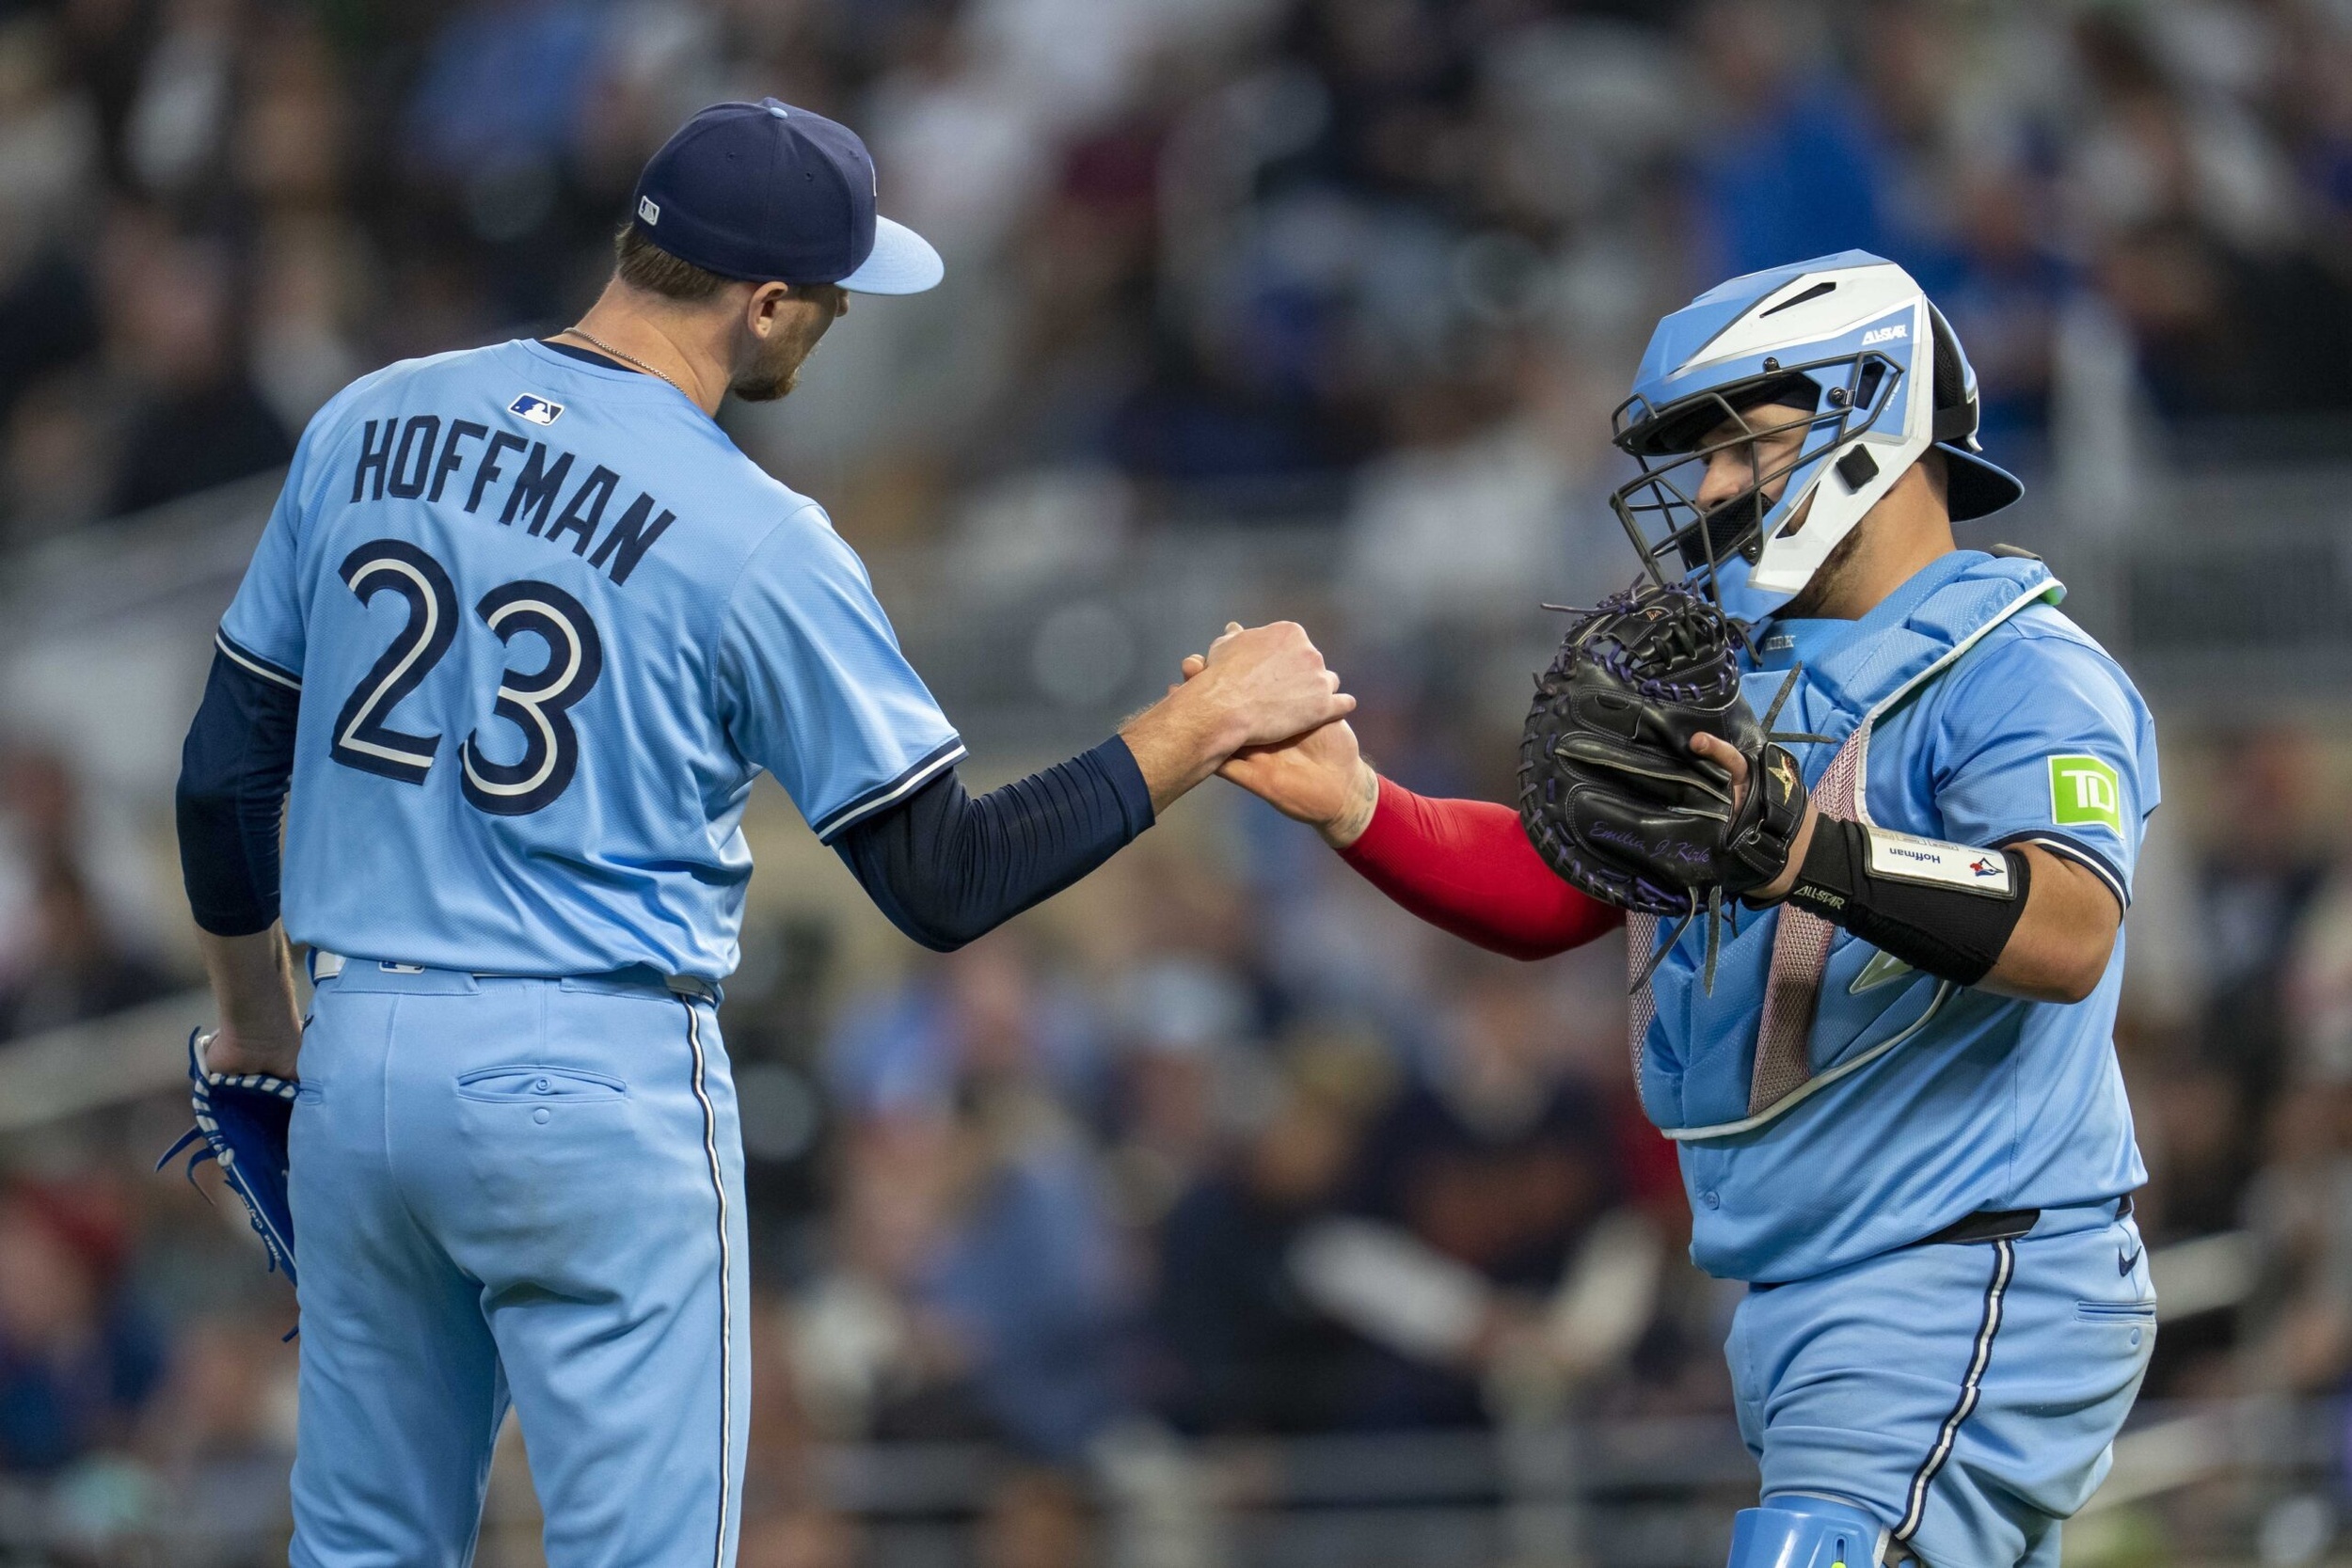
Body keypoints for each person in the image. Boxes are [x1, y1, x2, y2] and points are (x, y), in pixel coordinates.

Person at [171, 98, 1352, 1568]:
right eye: (832, 292)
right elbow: (944, 876)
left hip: (361, 1054)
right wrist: (1198, 727)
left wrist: (253, 1030)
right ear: (766, 301)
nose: (844, 315)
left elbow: (223, 777)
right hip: (592, 1080)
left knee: (360, 1553)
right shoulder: (754, 533)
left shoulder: (367, 419)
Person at [1212, 251, 2156, 1568]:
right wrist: (1361, 805)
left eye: (1743, 446)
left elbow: (2069, 928)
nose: (1712, 489)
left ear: (1871, 418)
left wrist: (1805, 853)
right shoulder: (1745, 670)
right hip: (1805, 1290)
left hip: (1967, 1267)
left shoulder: (2022, 669)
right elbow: (1566, 885)